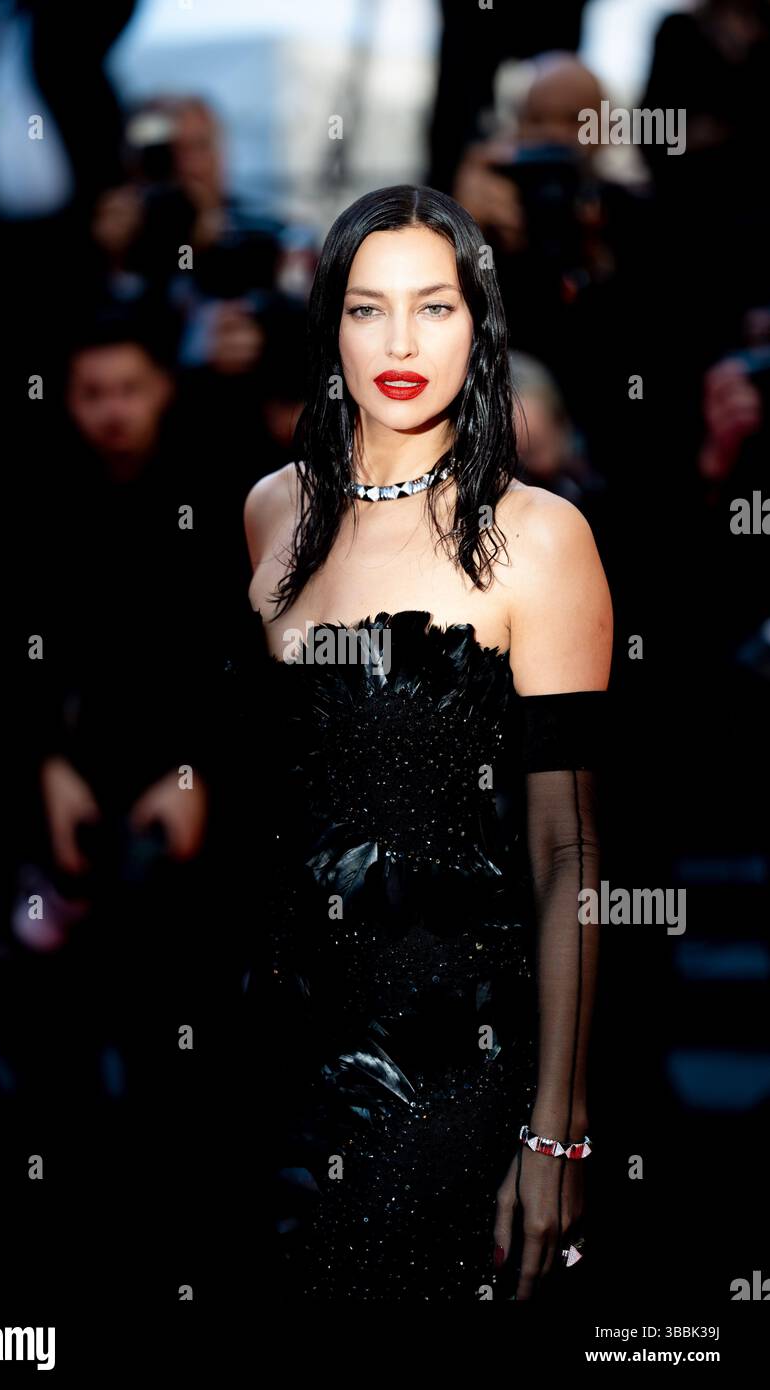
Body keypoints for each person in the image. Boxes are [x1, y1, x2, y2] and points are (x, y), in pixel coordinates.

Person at [234, 184, 613, 1301]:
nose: (399, 343)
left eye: (433, 308)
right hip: (274, 1039)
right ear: (328, 326)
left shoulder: (536, 541)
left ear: (476, 324)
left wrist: (556, 1132)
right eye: (367, 309)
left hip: (455, 1062)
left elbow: (571, 855)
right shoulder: (270, 512)